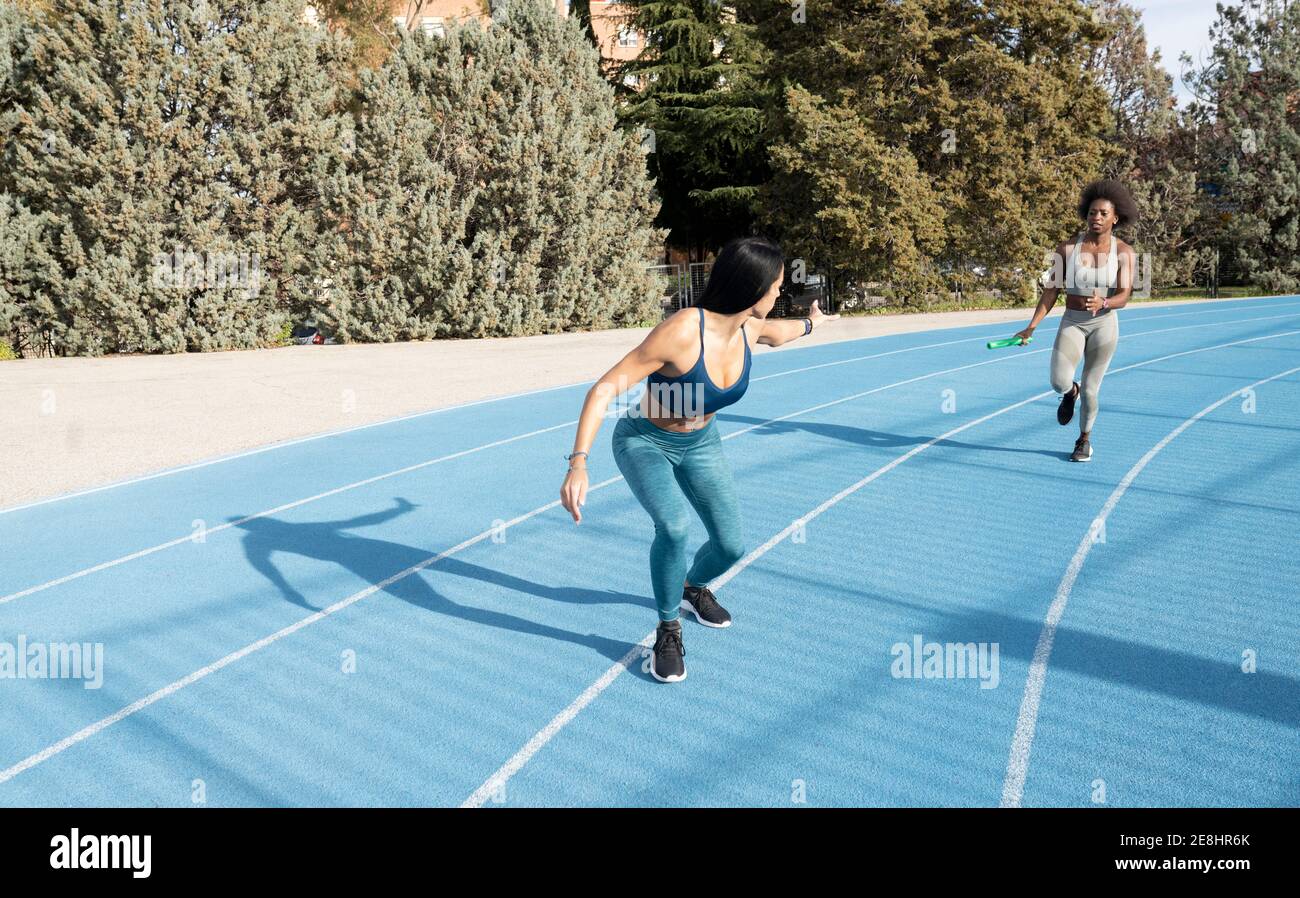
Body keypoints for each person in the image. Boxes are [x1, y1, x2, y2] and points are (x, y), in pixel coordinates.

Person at [559, 237, 839, 682]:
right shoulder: (684, 330)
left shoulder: (748, 327)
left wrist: (811, 324)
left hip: (701, 443)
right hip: (646, 440)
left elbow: (779, 333)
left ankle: (691, 586)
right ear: (753, 287)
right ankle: (668, 628)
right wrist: (579, 462)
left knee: (730, 545)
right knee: (673, 527)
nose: (778, 294)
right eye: (776, 286)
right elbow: (605, 388)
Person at [1013, 179, 1140, 462]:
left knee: (1093, 389)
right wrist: (1031, 326)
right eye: (1092, 212)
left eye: (1103, 213)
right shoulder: (1068, 249)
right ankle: (1071, 392)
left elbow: (1124, 296)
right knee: (1058, 381)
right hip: (1072, 320)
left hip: (1104, 325)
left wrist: (1105, 302)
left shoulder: (1124, 253)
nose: (1096, 218)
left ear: (1115, 218)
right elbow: (1051, 290)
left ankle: (1084, 439)